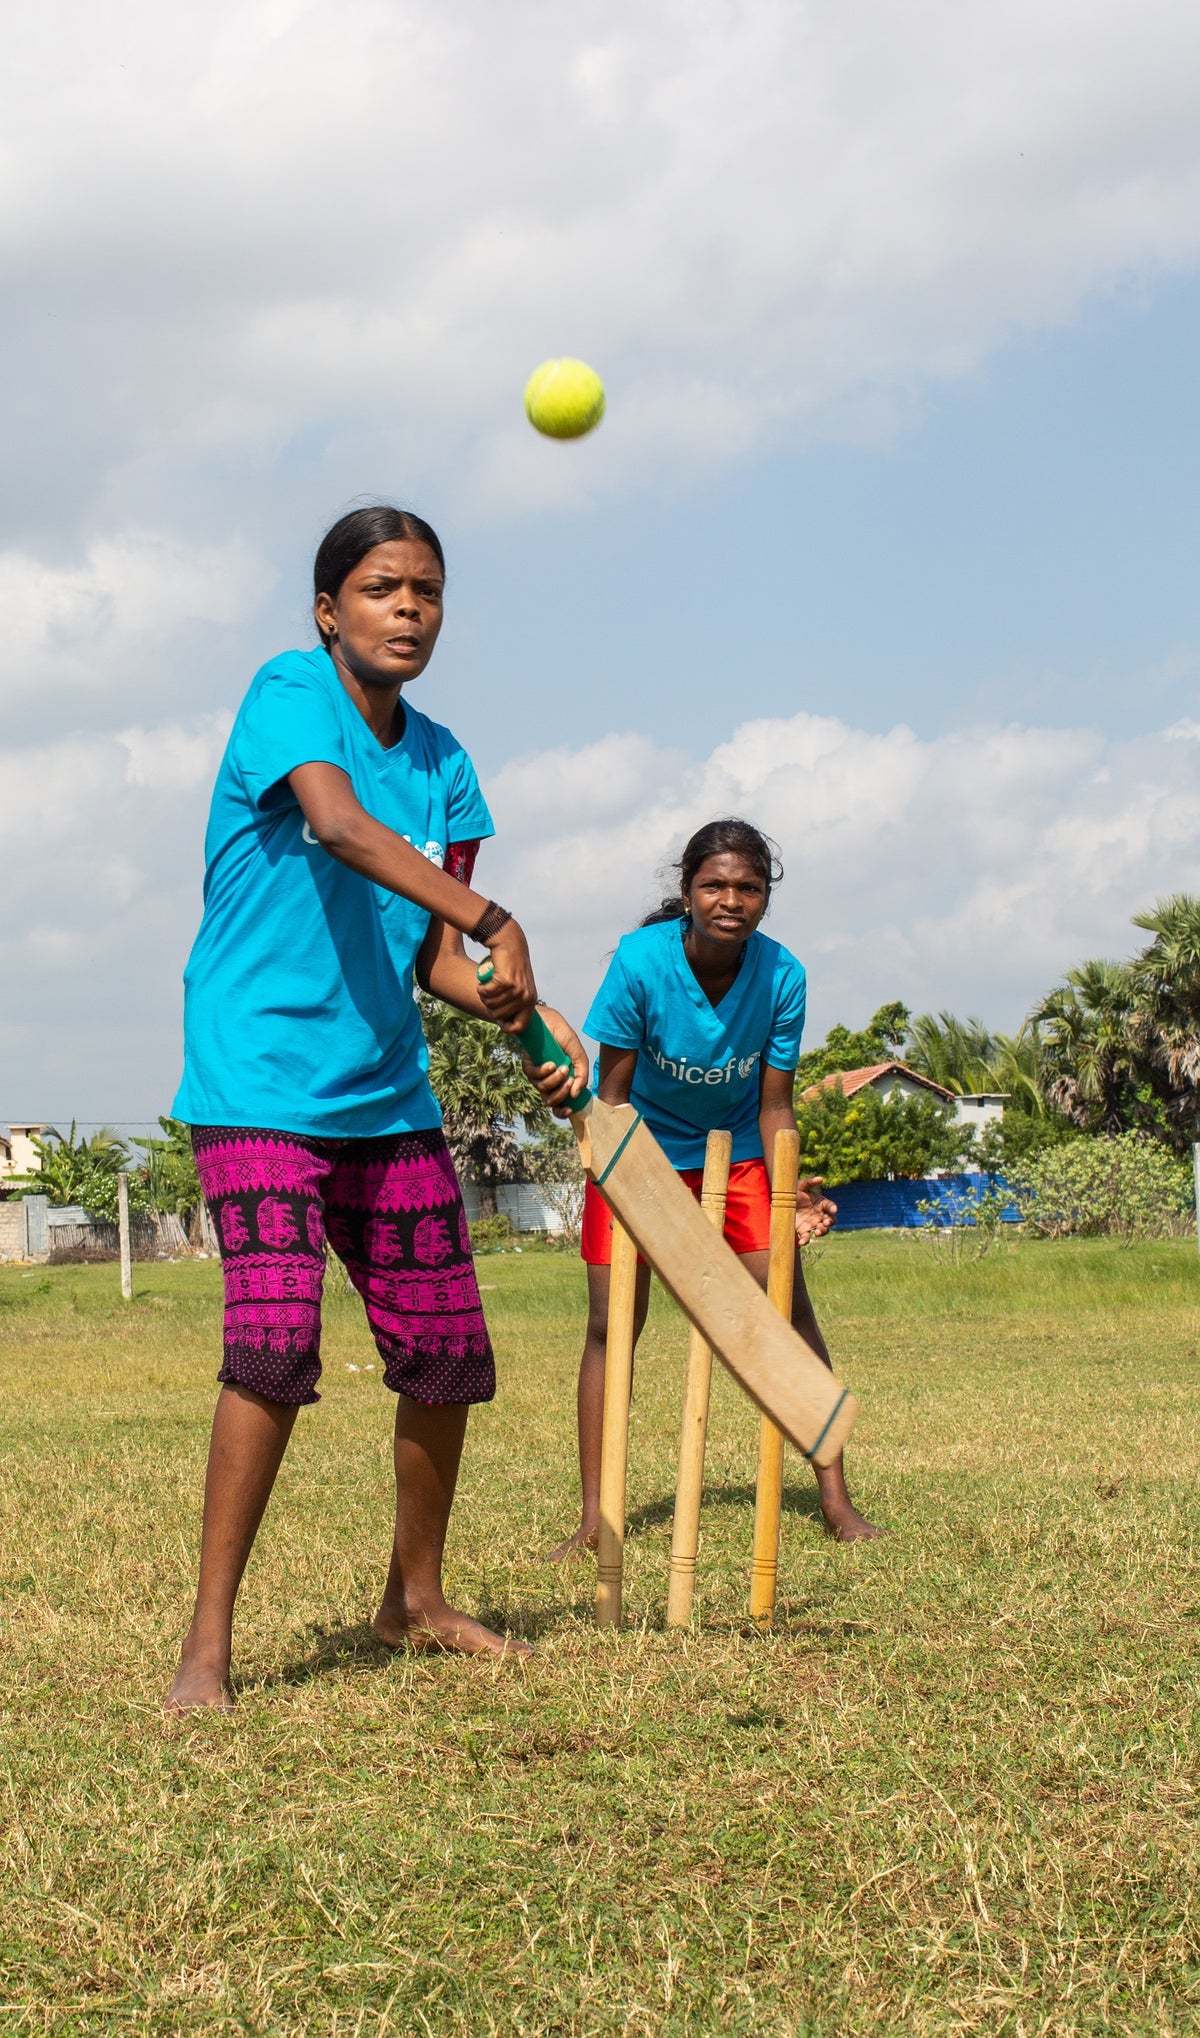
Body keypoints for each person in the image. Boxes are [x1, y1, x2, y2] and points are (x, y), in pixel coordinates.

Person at [165, 504, 586, 1712]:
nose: (410, 610)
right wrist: (492, 918)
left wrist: (525, 1020)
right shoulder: (287, 688)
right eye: (384, 588)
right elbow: (341, 826)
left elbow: (430, 959)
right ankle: (208, 1641)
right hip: (258, 1081)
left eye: (429, 593)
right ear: (328, 609)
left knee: (448, 1350)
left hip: (386, 1090)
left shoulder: (446, 762)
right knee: (273, 1339)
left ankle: (414, 1598)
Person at [540, 817, 881, 1562]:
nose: (731, 900)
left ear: (766, 896)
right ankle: (597, 1515)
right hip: (639, 1150)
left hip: (741, 1152)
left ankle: (835, 1498)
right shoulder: (640, 962)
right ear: (688, 890)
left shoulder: (783, 975)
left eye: (748, 887)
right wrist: (627, 1182)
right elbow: (617, 1093)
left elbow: (776, 1104)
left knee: (785, 1310)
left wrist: (790, 1195)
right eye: (715, 885)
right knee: (610, 1322)